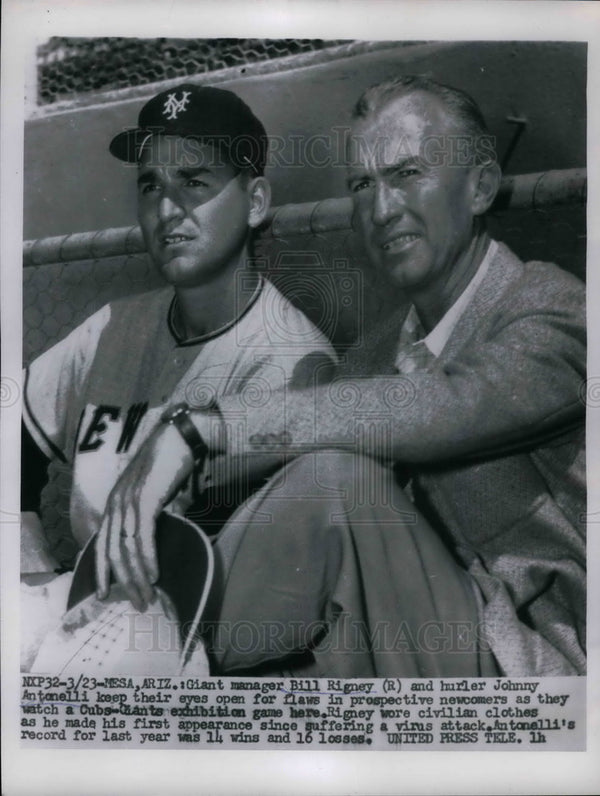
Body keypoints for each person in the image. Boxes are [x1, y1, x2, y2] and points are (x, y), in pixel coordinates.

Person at [87, 75, 585, 679]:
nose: (380, 209)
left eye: (407, 174)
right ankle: (116, 639)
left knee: (336, 484)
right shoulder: (375, 351)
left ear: (480, 187)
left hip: (544, 678)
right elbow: (305, 429)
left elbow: (444, 407)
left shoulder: (557, 309)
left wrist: (196, 433)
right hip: (400, 649)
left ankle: (122, 653)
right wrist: (184, 469)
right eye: (361, 185)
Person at [20, 83, 337, 671]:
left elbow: (229, 568)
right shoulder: (113, 326)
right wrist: (31, 567)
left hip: (192, 634)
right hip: (80, 606)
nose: (167, 210)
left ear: (257, 199)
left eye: (194, 182)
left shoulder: (291, 359)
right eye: (150, 186)